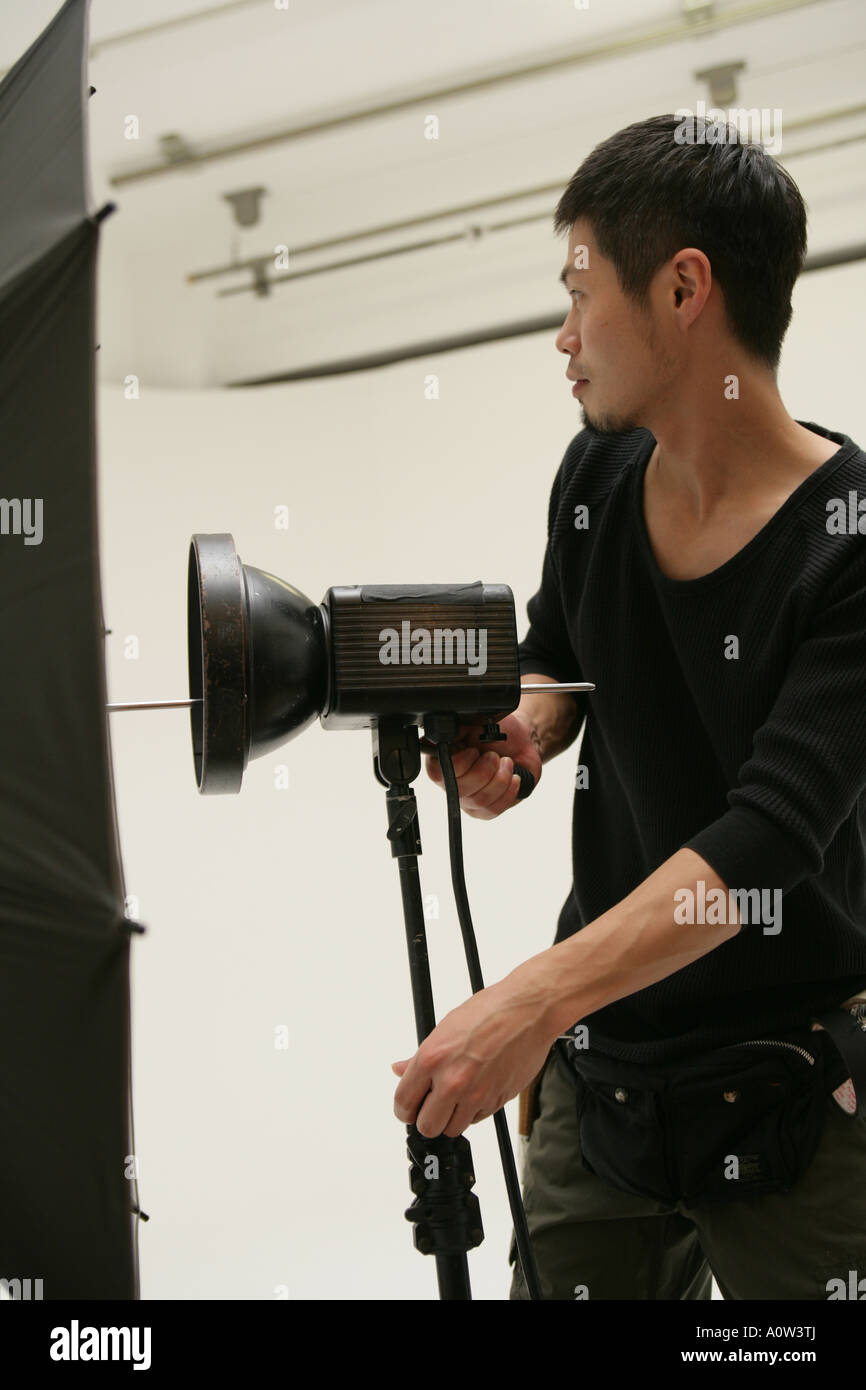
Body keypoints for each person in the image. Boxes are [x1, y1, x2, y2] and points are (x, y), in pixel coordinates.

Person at [390, 112, 866, 1299]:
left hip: (799, 1095)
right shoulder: (595, 472)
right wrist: (525, 733)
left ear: (682, 287)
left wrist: (527, 1003)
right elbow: (561, 653)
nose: (561, 337)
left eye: (579, 292)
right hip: (603, 1080)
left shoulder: (847, 546)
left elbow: (765, 841)